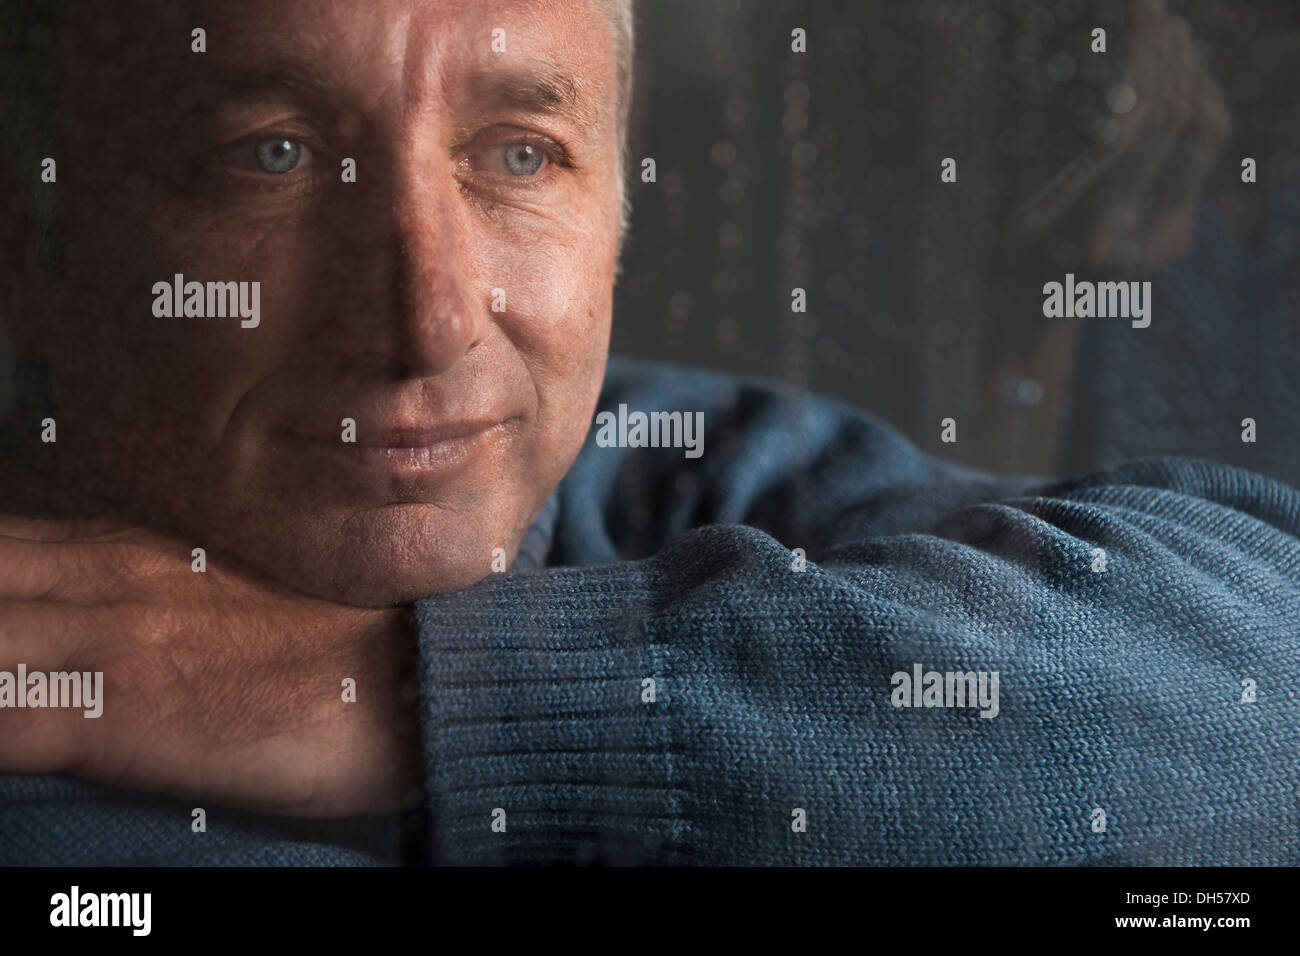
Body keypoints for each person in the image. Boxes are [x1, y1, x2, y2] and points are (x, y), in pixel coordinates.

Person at [0, 0, 1297, 865]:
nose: (429, 321)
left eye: (518, 157)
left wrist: (405, 700)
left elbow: (1263, 693)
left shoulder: (663, 468)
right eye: (270, 157)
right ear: (36, 249)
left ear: (620, 215)